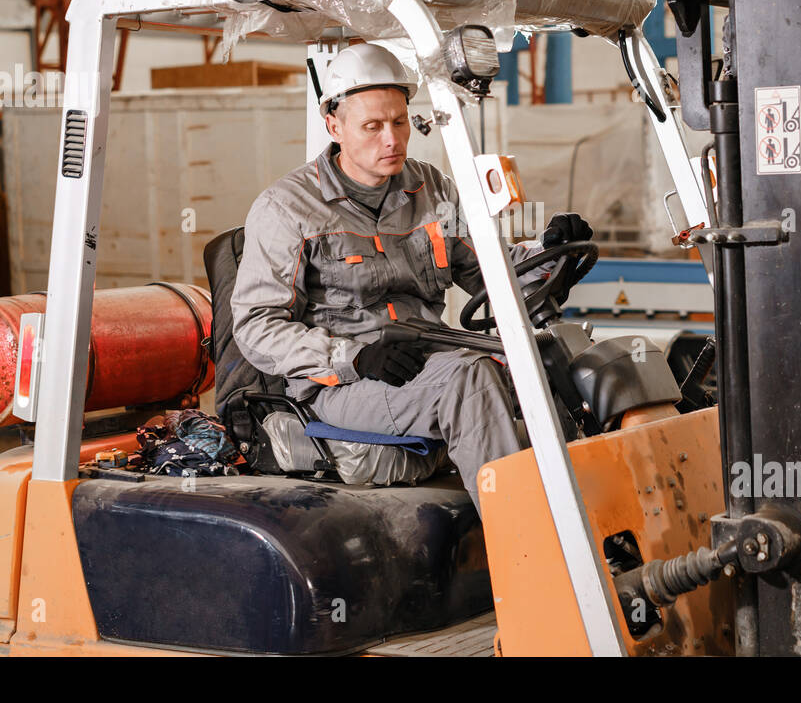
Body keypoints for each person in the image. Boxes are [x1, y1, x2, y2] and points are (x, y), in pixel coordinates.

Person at [230, 43, 592, 511]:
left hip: (429, 360)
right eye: (373, 126)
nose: (392, 140)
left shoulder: (431, 187)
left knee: (559, 357)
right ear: (334, 126)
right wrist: (354, 358)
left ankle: (597, 533)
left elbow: (490, 271)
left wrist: (550, 253)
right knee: (473, 379)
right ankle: (530, 553)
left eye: (399, 122)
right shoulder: (288, 209)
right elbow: (257, 327)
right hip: (342, 384)